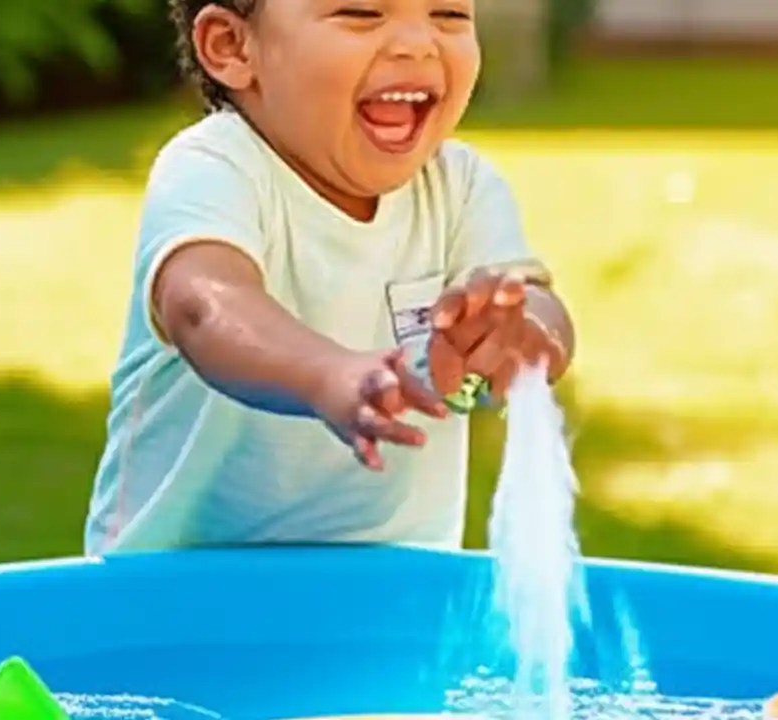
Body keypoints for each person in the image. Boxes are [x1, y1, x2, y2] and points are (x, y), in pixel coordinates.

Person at [83, 0, 576, 555]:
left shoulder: (460, 189)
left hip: (393, 588)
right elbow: (205, 305)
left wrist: (523, 330)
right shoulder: (215, 167)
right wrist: (326, 375)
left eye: (449, 14)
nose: (418, 43)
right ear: (232, 45)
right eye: (362, 12)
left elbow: (538, 306)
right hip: (177, 589)